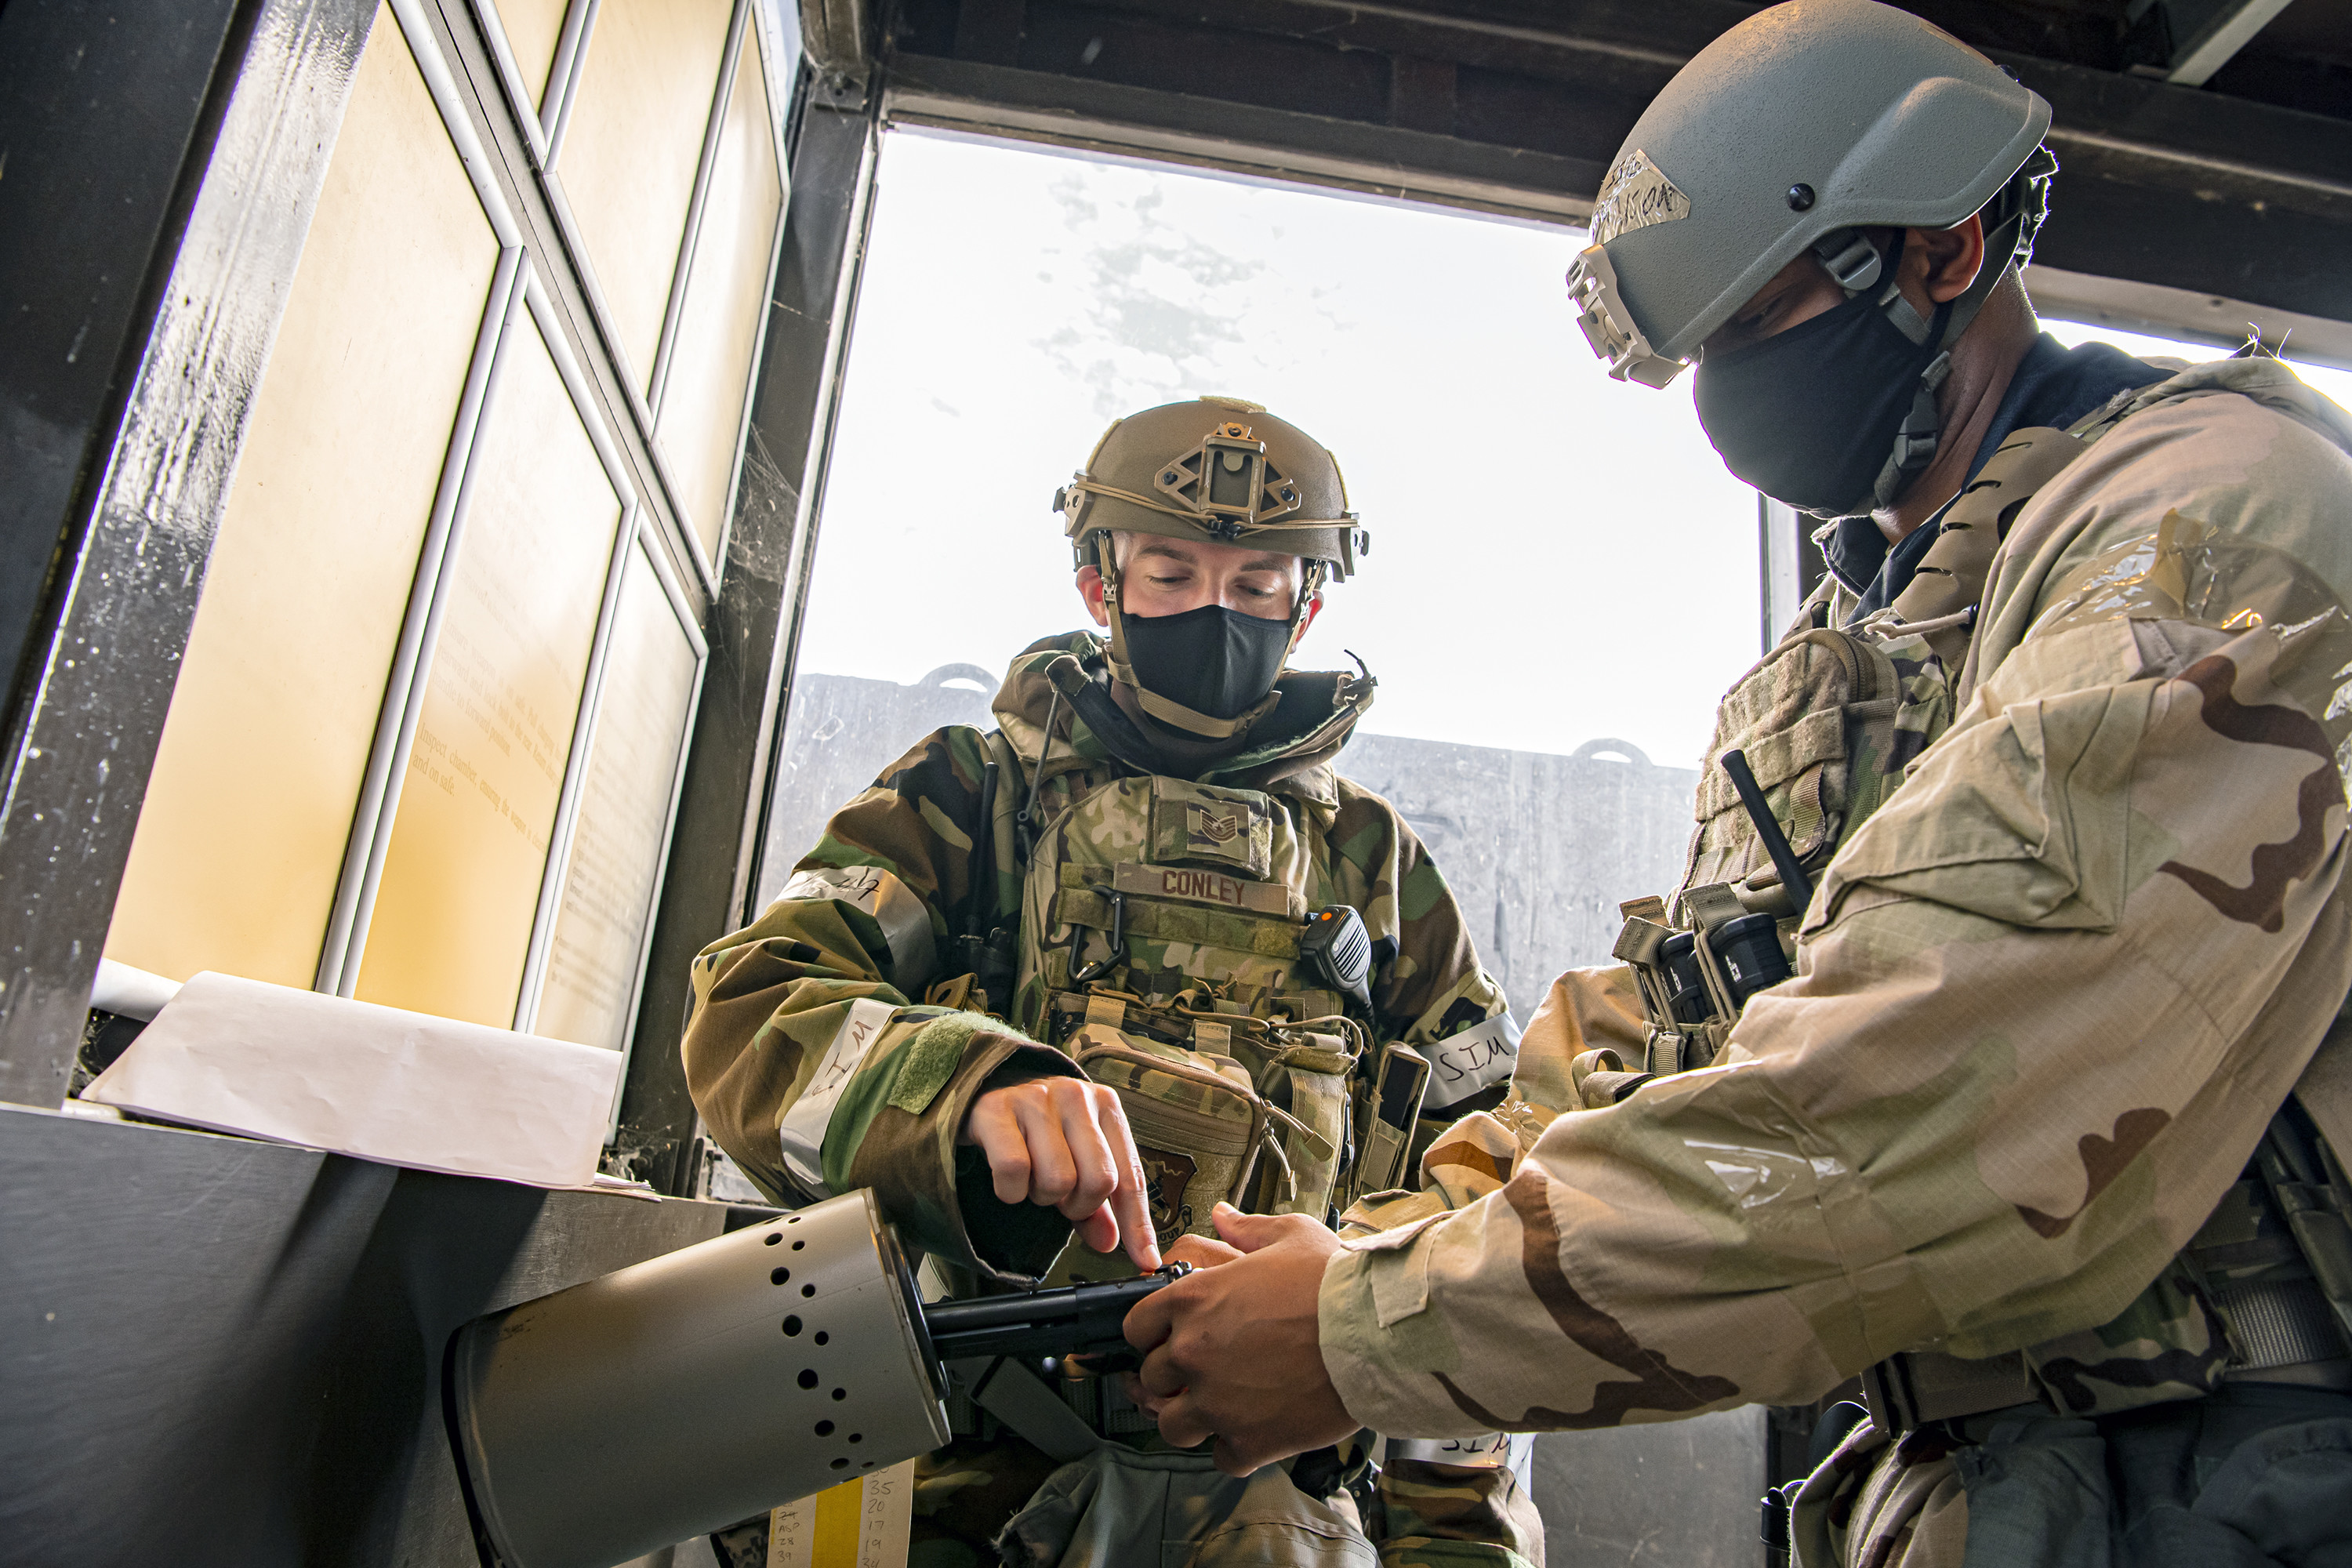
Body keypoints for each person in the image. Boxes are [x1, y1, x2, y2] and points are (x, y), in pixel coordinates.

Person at [1121, 4, 2352, 1563]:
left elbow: (1925, 1099)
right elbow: (1676, 1032)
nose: (1722, 399)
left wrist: (1362, 1327)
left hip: (2265, 1477)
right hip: (2004, 1478)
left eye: (1750, 329)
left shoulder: (2208, 530)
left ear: (1943, 251)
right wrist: (1354, 1252)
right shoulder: (1866, 640)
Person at [681, 396, 1544, 1568]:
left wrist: (1455, 1545)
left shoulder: (1375, 866)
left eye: (1256, 585)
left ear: (1308, 605)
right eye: (1174, 573)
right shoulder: (971, 795)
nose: (1216, 611)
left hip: (1268, 1495)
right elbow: (747, 1011)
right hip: (946, 1470)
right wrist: (964, 1088)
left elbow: (1487, 1193)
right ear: (1100, 586)